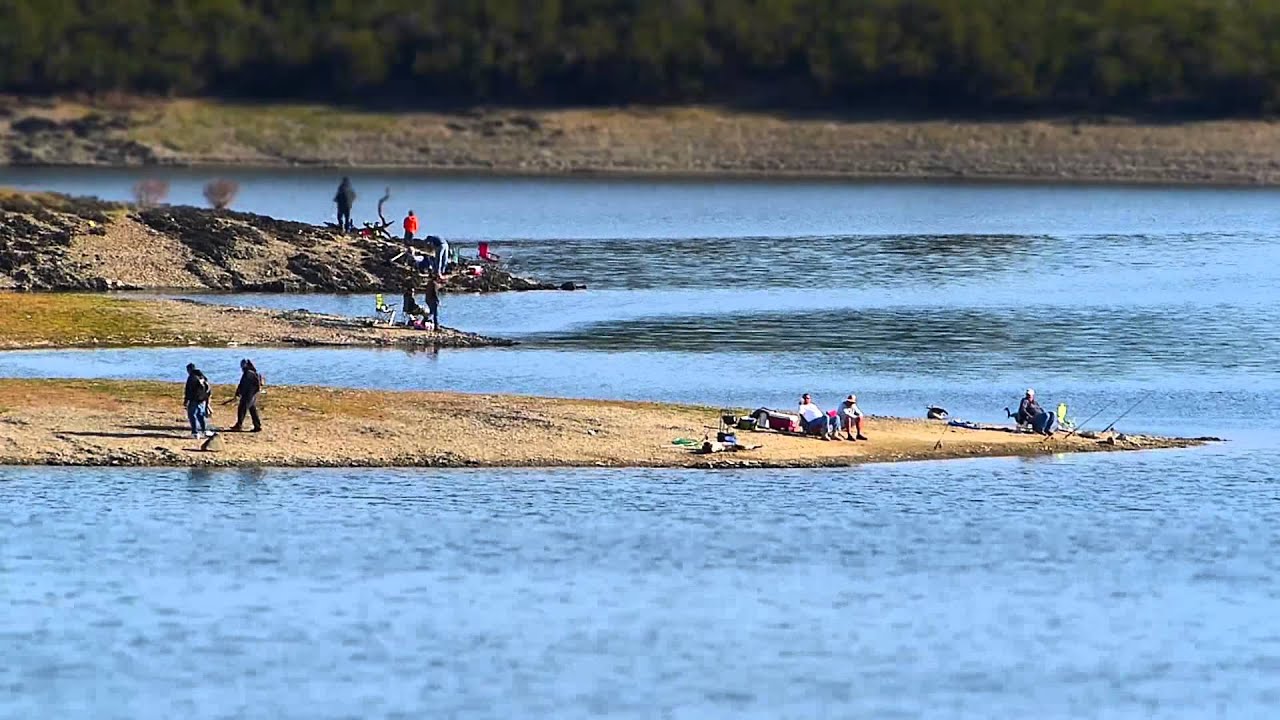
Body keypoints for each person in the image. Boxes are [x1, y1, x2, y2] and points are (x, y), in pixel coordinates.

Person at [229, 359, 263, 432]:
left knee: (242, 409)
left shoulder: (248, 373)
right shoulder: (253, 372)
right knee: (252, 410)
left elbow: (242, 384)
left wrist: (239, 392)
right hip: (252, 395)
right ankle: (257, 426)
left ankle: (239, 425)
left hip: (248, 395)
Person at [183, 363, 213, 438]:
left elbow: (188, 390)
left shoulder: (191, 377)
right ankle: (205, 430)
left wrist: (186, 400)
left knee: (192, 415)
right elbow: (208, 389)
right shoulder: (201, 376)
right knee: (200, 415)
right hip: (202, 399)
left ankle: (195, 432)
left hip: (194, 400)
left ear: (189, 370)